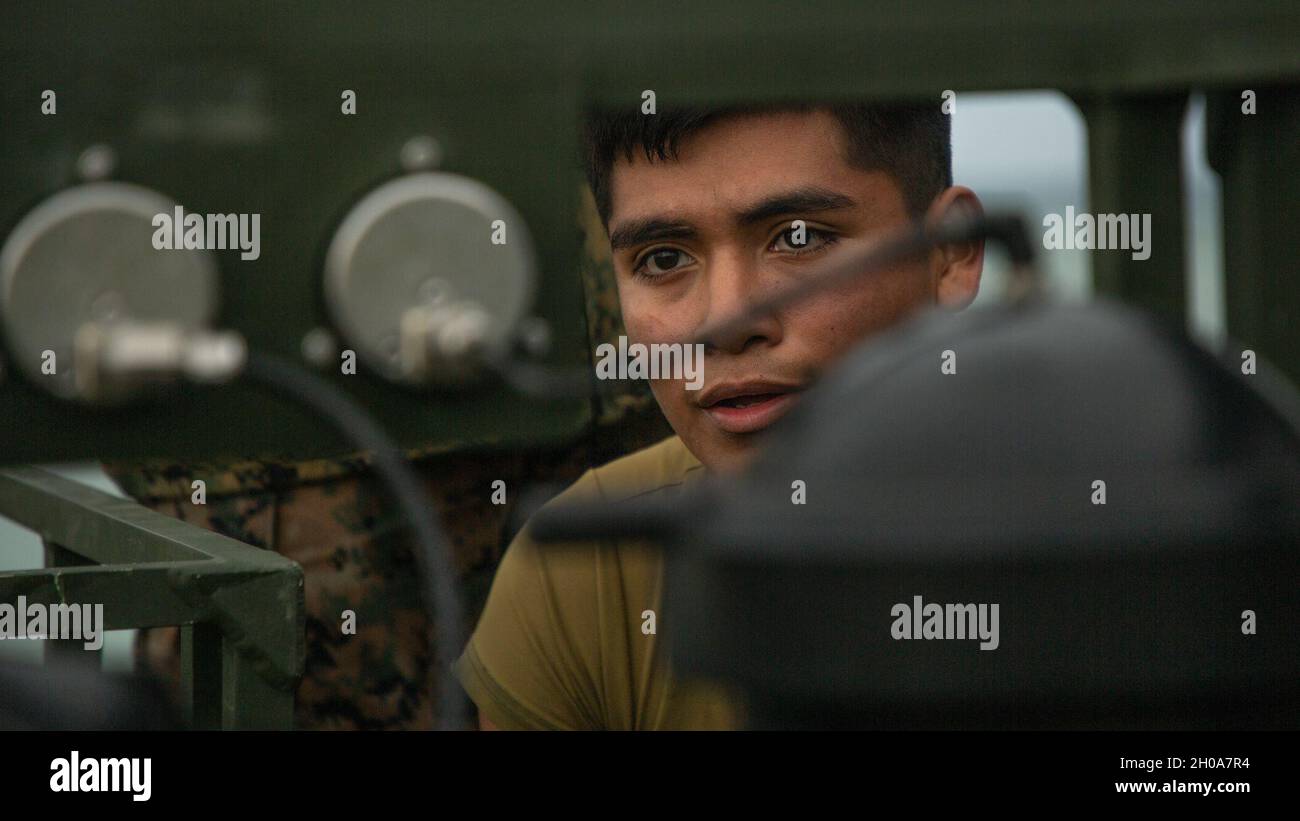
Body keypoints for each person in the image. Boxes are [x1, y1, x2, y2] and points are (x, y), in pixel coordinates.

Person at [453, 102, 986, 729]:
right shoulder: (588, 564)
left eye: (798, 238)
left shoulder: (1099, 533)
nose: (724, 323)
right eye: (663, 259)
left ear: (950, 253)